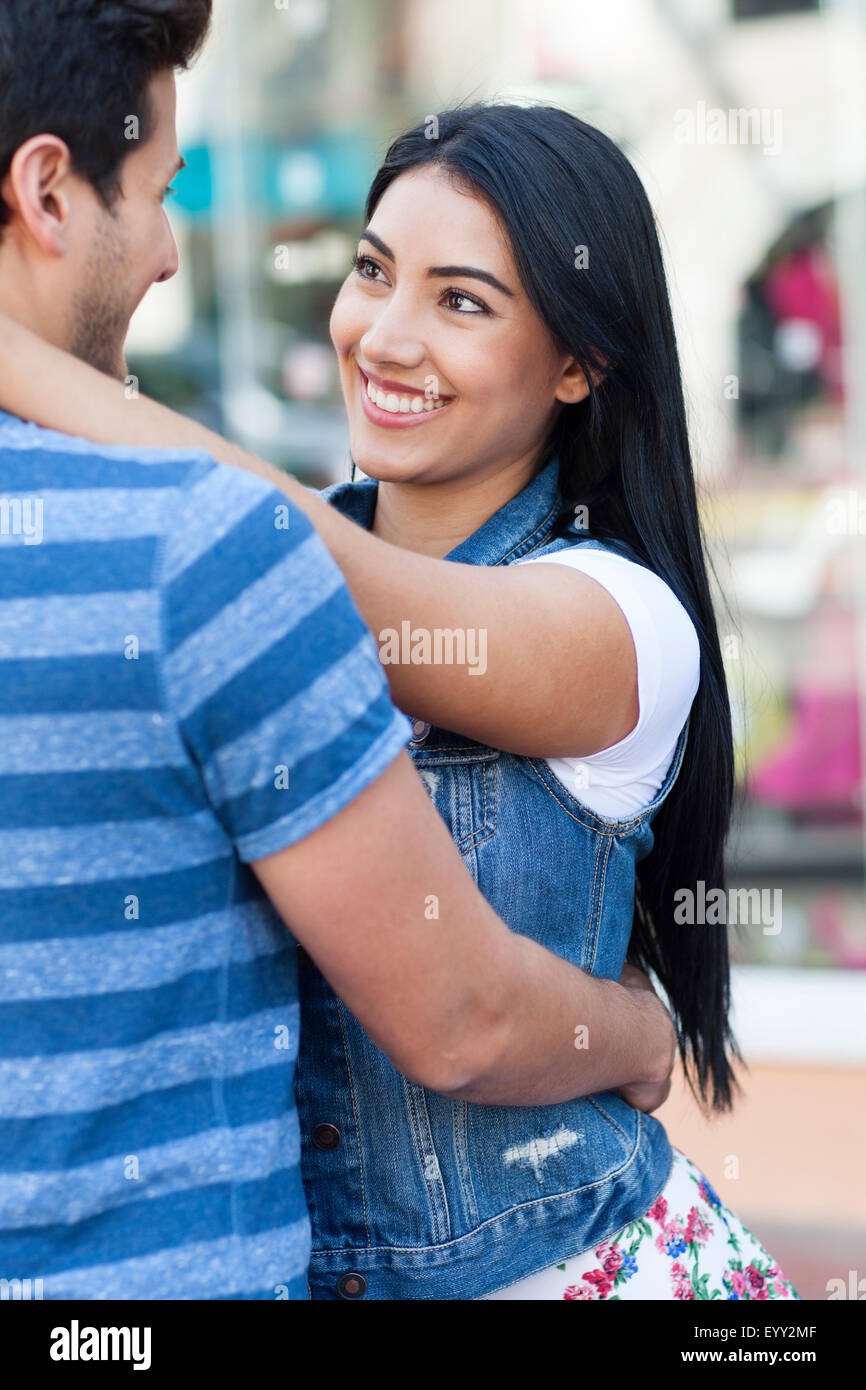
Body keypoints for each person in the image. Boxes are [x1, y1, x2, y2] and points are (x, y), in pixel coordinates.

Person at [0, 3, 679, 1302]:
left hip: (555, 1268)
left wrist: (14, 353)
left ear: (580, 363)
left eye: (461, 300)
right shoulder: (241, 545)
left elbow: (325, 566)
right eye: (369, 272)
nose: (384, 336)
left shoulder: (616, 617)